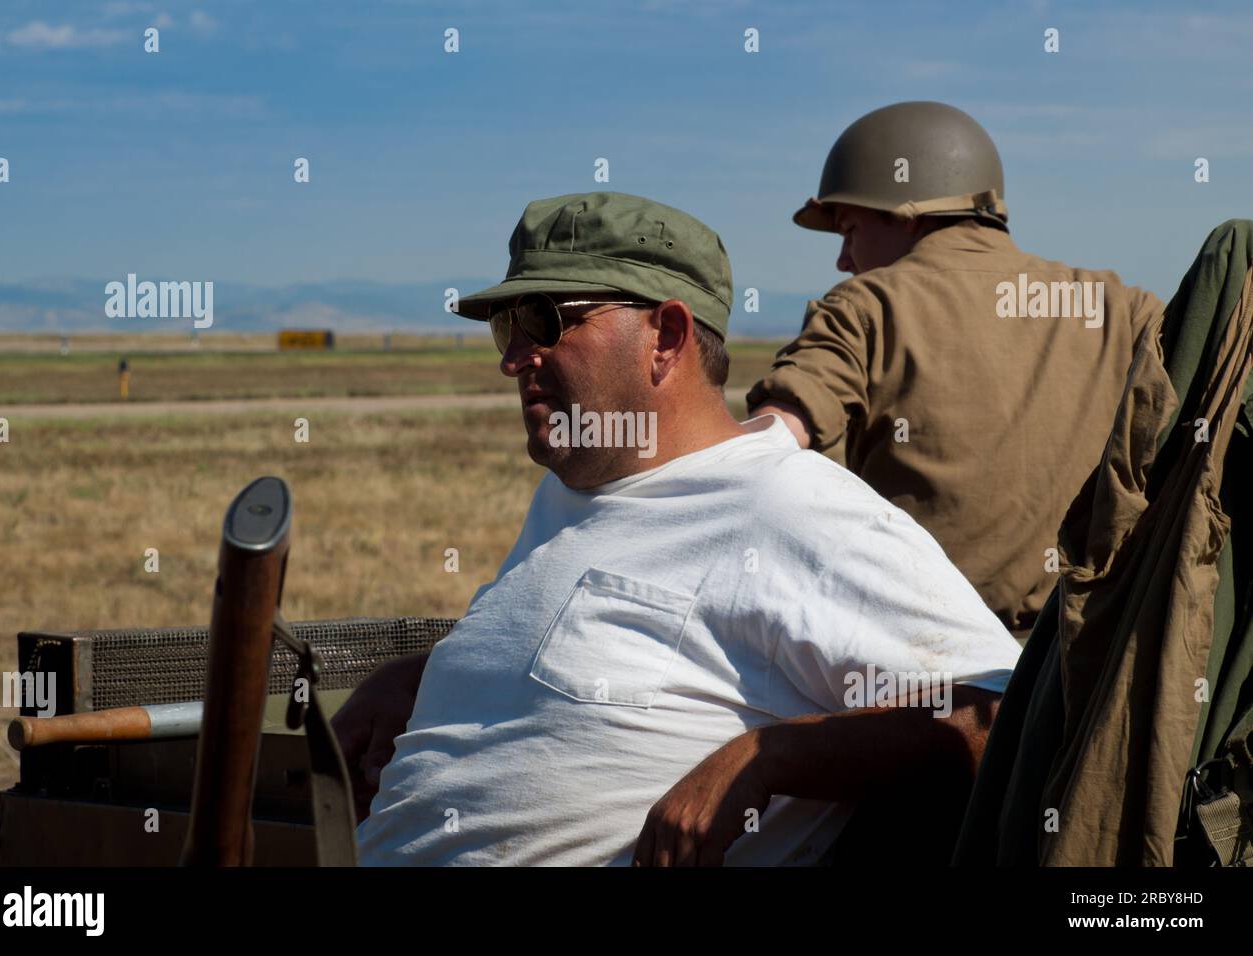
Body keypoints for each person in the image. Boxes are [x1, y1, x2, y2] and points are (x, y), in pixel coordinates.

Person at [337, 191, 1020, 866]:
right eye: (504, 327)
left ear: (665, 336)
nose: (512, 359)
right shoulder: (568, 494)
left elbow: (999, 715)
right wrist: (424, 676)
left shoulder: (788, 505)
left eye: (542, 321)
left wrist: (772, 755)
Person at [748, 101, 1166, 638]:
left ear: (907, 213)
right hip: (1087, 662)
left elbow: (771, 439)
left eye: (849, 229)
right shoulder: (1119, 307)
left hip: (920, 660)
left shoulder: (866, 307)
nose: (843, 258)